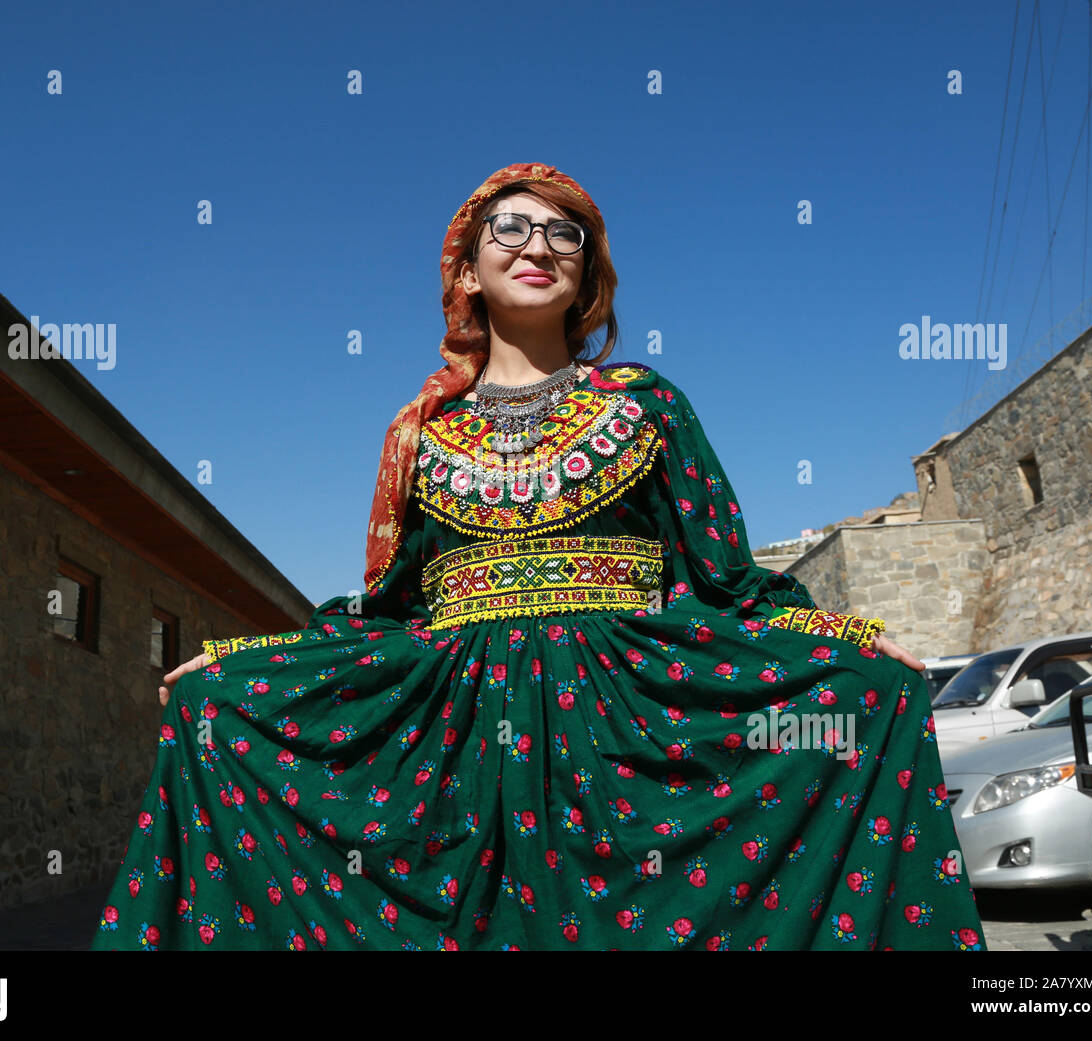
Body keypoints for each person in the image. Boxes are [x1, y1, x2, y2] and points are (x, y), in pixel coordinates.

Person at [90, 162, 986, 951]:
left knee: (870, 706)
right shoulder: (420, 433)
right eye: (509, 227)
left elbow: (726, 575)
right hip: (459, 743)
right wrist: (256, 660)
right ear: (467, 269)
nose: (538, 244)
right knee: (210, 710)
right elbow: (391, 610)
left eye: (566, 233)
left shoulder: (646, 405)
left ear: (587, 272)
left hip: (627, 731)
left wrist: (842, 639)